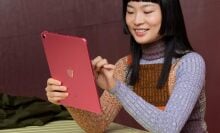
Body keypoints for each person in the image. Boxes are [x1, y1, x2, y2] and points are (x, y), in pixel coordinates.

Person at [45, 0, 207, 132]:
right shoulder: (125, 66)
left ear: (169, 15)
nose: (136, 20)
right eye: (130, 11)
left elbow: (168, 128)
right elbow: (96, 125)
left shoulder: (190, 63)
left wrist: (117, 87)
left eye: (147, 11)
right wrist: (69, 95)